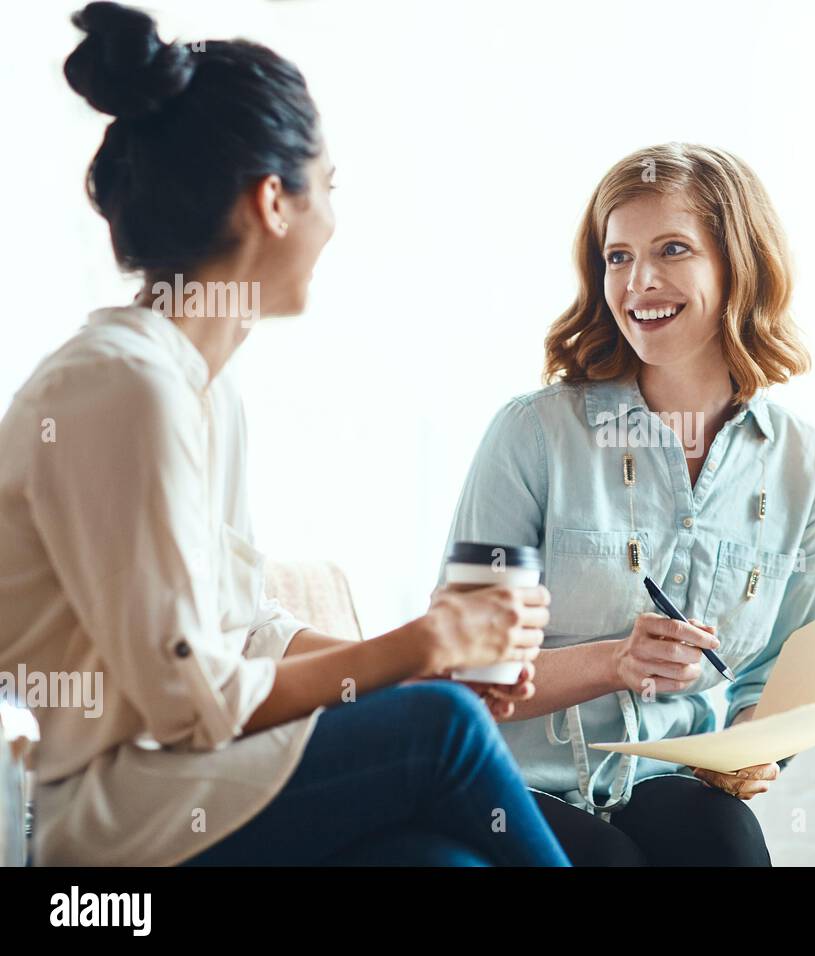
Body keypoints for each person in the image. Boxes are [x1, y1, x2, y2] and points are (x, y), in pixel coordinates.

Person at [0, 1, 567, 867]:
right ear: (273, 200)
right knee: (441, 727)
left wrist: (426, 658)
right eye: (327, 188)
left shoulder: (199, 389)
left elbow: (244, 626)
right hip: (120, 813)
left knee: (443, 863)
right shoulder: (123, 386)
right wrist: (422, 648)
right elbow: (193, 698)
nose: (332, 222)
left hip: (203, 779)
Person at [441, 143, 815, 865]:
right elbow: (462, 672)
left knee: (725, 840)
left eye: (672, 249)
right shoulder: (533, 434)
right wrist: (613, 661)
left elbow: (774, 673)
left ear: (738, 265)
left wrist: (758, 751)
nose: (639, 282)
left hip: (662, 778)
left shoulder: (804, 469)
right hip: (511, 782)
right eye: (618, 256)